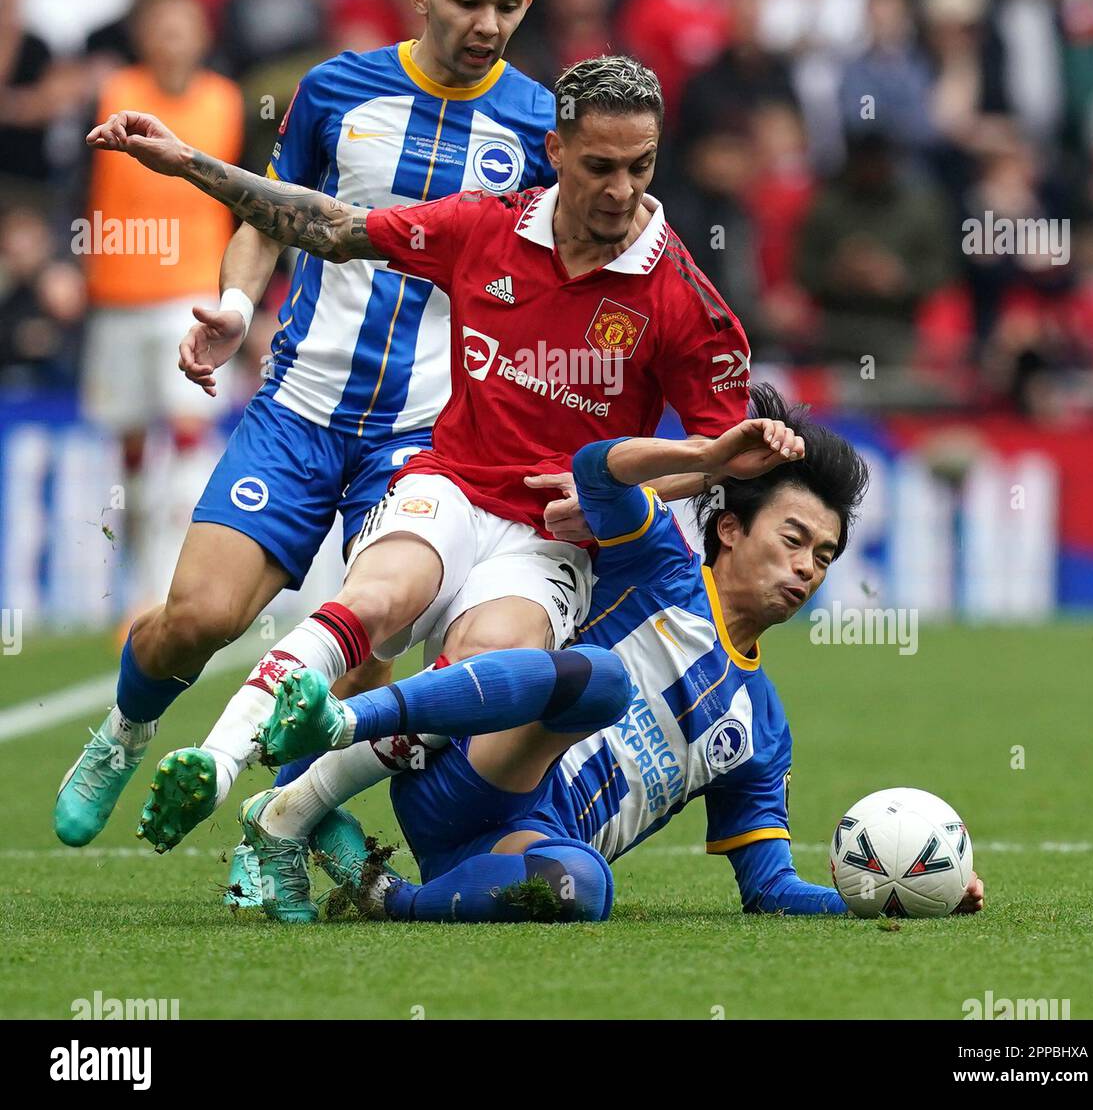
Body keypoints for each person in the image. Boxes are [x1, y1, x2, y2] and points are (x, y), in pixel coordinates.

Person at [81, 53, 752, 859]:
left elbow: (714, 455)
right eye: (600, 166)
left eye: (638, 167)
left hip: (550, 539)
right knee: (371, 604)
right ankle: (218, 764)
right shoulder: (486, 226)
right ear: (557, 151)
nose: (619, 190)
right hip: (451, 485)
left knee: (475, 685)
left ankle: (284, 814)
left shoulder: (685, 298)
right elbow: (330, 225)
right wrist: (191, 164)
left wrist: (623, 499)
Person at [53, 0, 554, 860]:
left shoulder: (538, 125)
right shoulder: (336, 89)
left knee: (366, 653)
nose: (484, 25)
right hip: (300, 407)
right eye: (464, 1)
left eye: (504, 6)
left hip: (424, 434)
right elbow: (267, 214)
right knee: (199, 619)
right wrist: (237, 310)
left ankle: (275, 820)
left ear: (525, 2)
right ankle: (123, 732)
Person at [241, 389, 986, 922]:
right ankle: (340, 724)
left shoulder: (763, 730)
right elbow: (596, 469)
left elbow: (769, 890)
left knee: (583, 889)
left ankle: (381, 893)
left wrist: (890, 895)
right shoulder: (660, 560)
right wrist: (707, 453)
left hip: (510, 847)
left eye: (824, 556)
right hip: (473, 763)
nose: (807, 569)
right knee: (601, 680)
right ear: (728, 530)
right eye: (792, 540)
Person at [80, 0, 243, 614]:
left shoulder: (225, 102)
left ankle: (172, 593)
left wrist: (242, 296)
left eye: (185, 29)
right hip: (118, 291)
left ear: (201, 38)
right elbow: (82, 179)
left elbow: (248, 197)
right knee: (131, 456)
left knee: (186, 435)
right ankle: (135, 592)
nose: (173, 41)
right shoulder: (113, 92)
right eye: (162, 29)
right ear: (146, 37)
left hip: (191, 294)